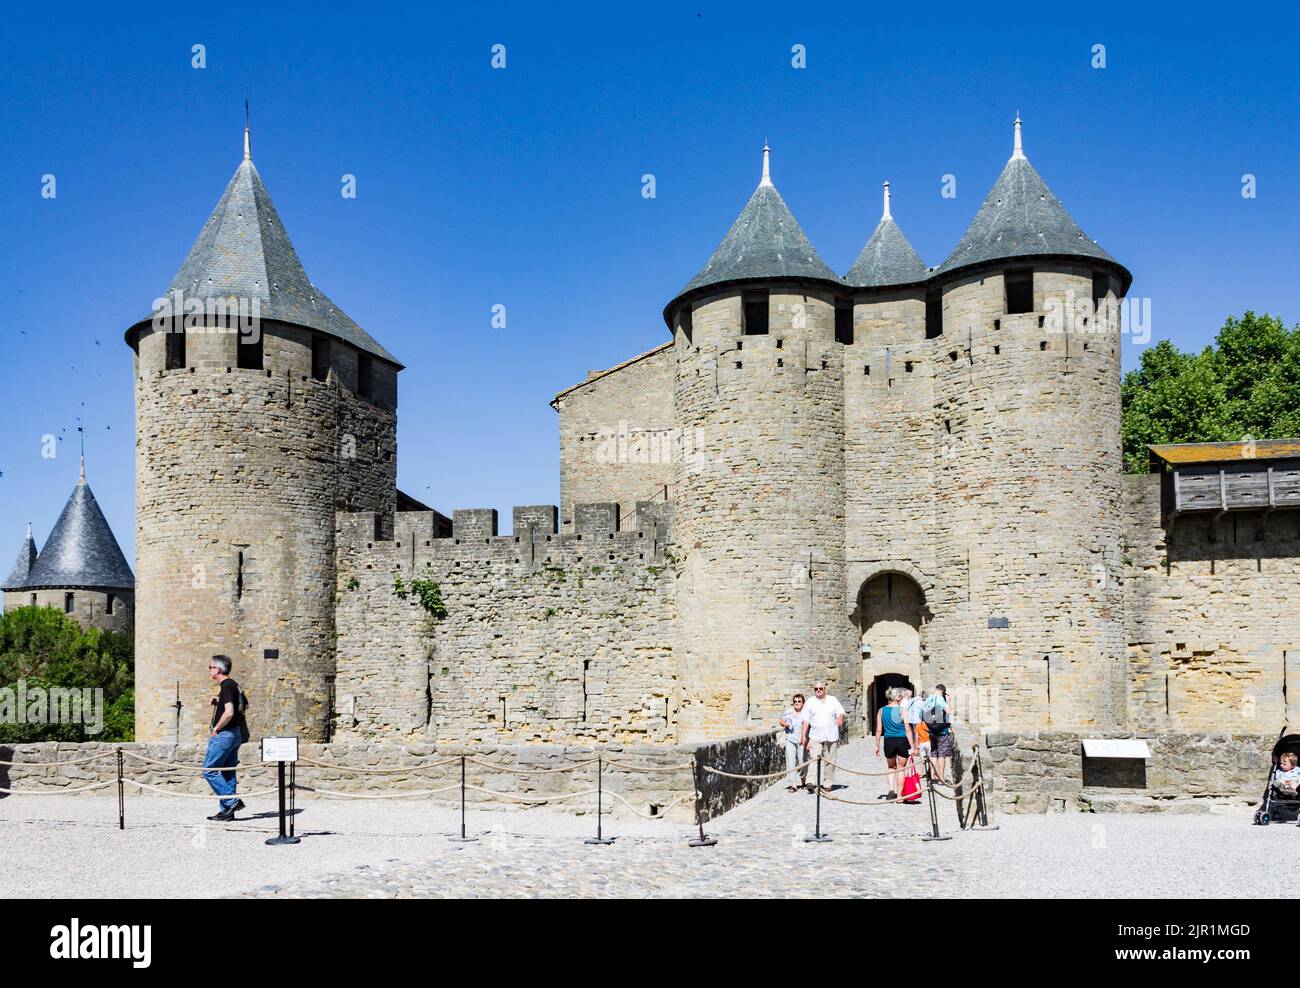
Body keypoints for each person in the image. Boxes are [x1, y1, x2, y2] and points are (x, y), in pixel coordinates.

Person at [203, 654, 248, 822]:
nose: (209, 670)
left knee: (209, 770)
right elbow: (244, 705)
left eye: (211, 667)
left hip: (225, 734)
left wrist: (217, 727)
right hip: (235, 734)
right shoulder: (234, 686)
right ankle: (227, 812)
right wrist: (219, 700)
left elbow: (229, 712)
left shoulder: (227, 686)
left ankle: (232, 801)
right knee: (228, 773)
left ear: (218, 669)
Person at [803, 681, 846, 794]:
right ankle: (810, 782)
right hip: (815, 736)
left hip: (831, 736)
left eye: (820, 688)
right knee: (813, 759)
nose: (818, 690)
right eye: (816, 689)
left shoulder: (833, 700)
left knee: (829, 761)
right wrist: (803, 736)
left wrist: (840, 719)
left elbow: (841, 712)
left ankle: (827, 783)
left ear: (825, 689)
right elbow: (806, 720)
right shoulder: (810, 702)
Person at [875, 687, 914, 801]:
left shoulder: (881, 711)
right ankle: (900, 796)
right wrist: (912, 746)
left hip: (889, 741)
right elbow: (907, 729)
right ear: (897, 698)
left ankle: (891, 790)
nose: (902, 698)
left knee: (891, 767)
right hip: (902, 741)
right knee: (901, 768)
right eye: (901, 696)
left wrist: (877, 745)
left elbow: (878, 730)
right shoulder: (902, 710)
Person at [779, 694, 809, 792]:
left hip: (802, 740)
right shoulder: (788, 711)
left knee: (803, 761)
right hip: (790, 739)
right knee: (790, 761)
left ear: (803, 703)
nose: (797, 703)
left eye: (799, 701)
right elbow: (781, 721)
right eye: (795, 701)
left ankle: (804, 781)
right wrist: (785, 724)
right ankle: (793, 784)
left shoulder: (806, 713)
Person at [926, 685, 954, 784]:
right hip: (942, 731)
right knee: (942, 755)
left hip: (931, 730)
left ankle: (932, 777)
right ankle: (941, 778)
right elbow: (949, 711)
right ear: (942, 691)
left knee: (934, 754)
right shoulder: (940, 699)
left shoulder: (929, 698)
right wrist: (948, 701)